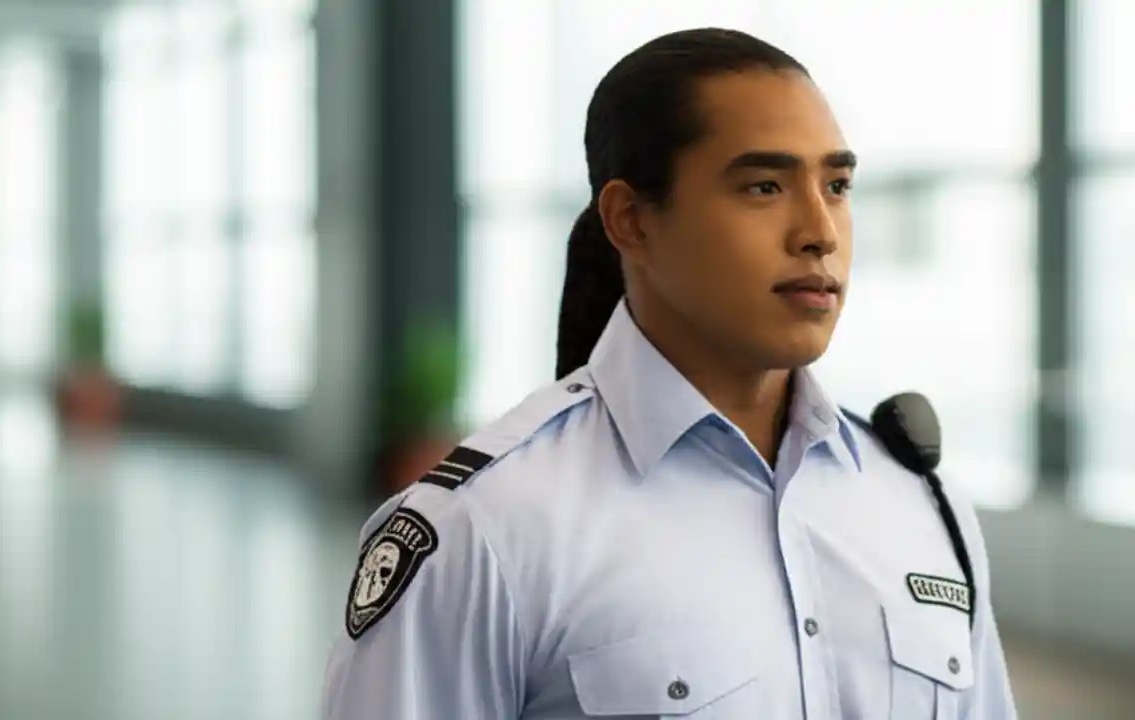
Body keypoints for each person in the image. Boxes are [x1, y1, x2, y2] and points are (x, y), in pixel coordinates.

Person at [322, 27, 1017, 719]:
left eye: (836, 185)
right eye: (765, 186)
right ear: (631, 220)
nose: (820, 231)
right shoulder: (484, 527)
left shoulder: (920, 503)